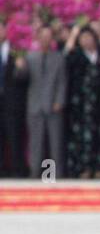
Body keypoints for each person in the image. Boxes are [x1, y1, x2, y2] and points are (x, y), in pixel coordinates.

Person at [63, 21, 100, 179]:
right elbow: (65, 58)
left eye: (89, 37)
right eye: (83, 38)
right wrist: (72, 35)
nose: (86, 41)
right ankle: (83, 168)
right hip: (80, 103)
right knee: (80, 137)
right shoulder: (76, 55)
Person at [18, 26, 66, 179]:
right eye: (42, 36)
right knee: (35, 142)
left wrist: (59, 100)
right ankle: (35, 172)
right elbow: (22, 79)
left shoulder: (58, 58)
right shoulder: (30, 57)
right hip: (35, 104)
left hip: (53, 105)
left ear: (52, 39)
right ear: (38, 38)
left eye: (48, 36)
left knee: (54, 142)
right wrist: (20, 67)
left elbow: (62, 82)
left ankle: (51, 174)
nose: (45, 39)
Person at [0, 23, 28, 177]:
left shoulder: (16, 51)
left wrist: (21, 68)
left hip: (12, 102)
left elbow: (24, 77)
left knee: (14, 136)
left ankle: (17, 170)